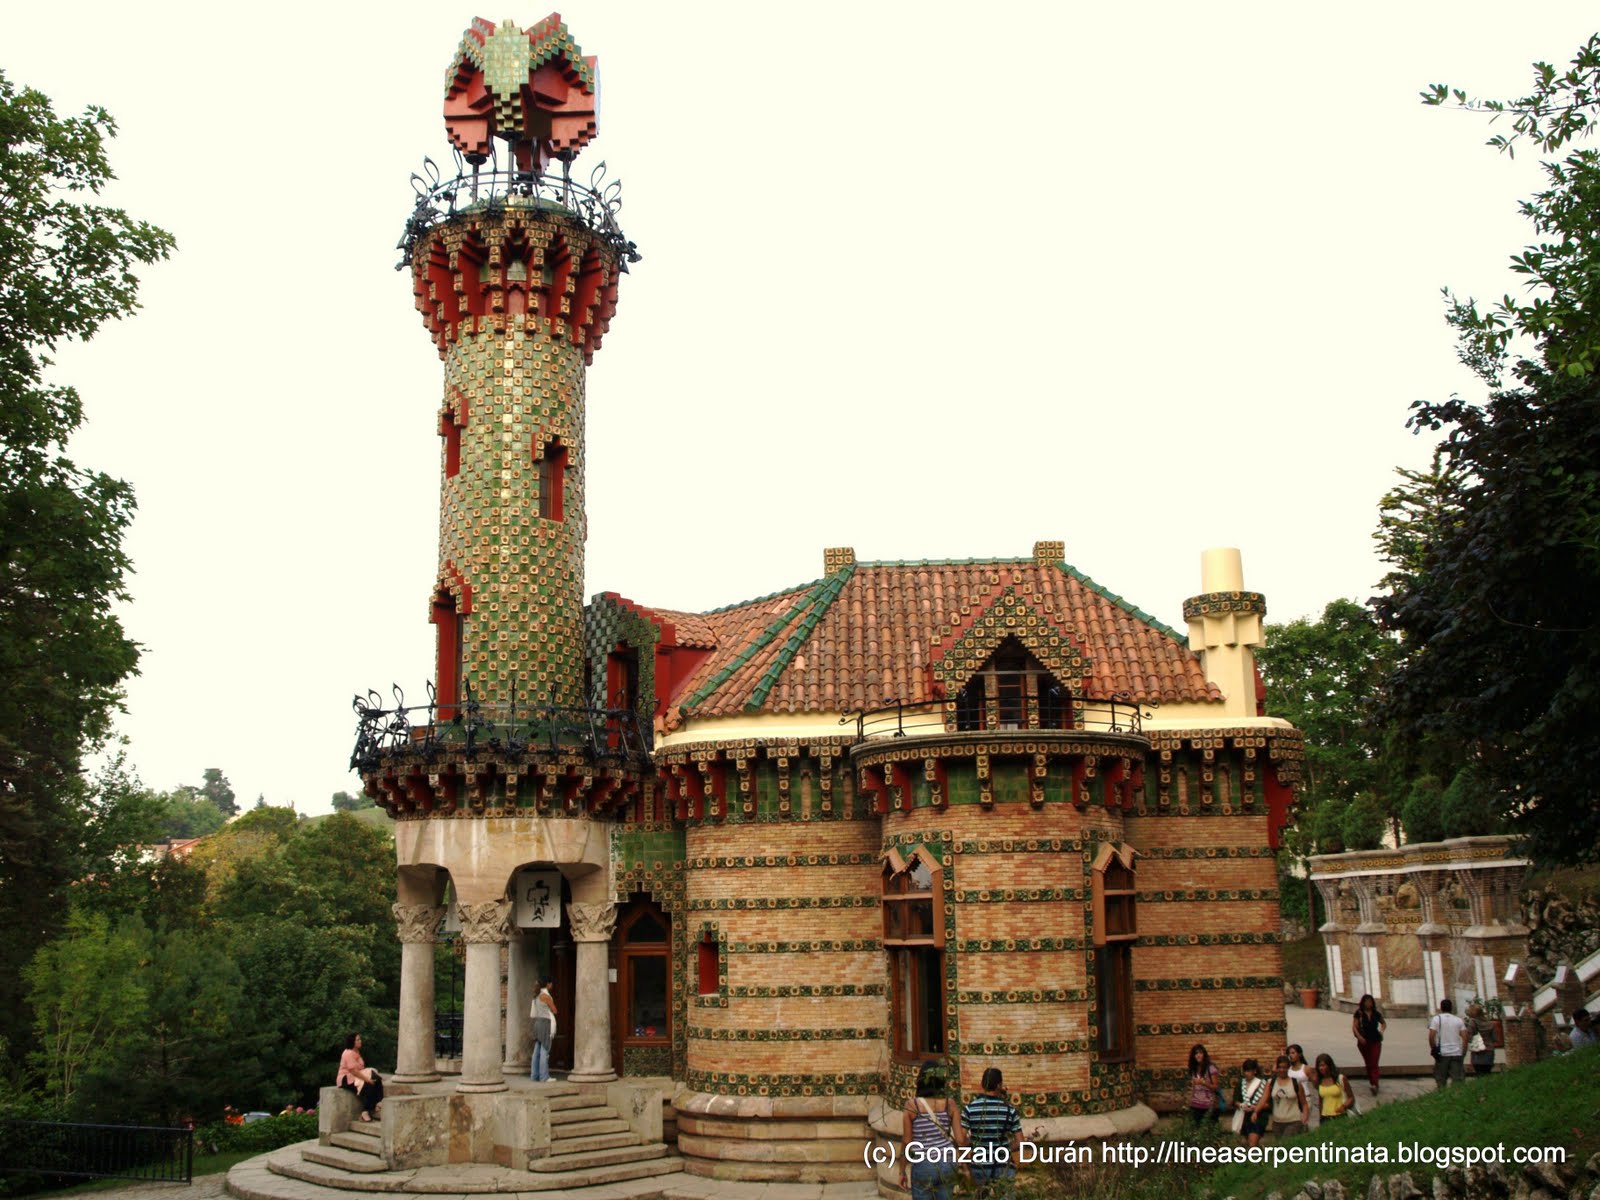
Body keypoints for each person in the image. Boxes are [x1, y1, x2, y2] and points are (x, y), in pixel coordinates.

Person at [900, 1063, 962, 1200]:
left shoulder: (912, 1105)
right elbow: (960, 1140)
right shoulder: (949, 1104)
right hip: (948, 1162)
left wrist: (902, 1170)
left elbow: (907, 1141)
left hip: (924, 1163)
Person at [961, 1068, 1021, 1194]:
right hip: (1003, 1165)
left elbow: (961, 1140)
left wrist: (973, 1142)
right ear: (999, 1085)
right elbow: (1020, 1141)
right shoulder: (1009, 1109)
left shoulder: (970, 1109)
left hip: (979, 1165)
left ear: (982, 1084)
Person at [337, 1032, 384, 1122]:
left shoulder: (357, 1051)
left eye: (360, 1039)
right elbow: (353, 1071)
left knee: (377, 1079)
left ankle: (378, 1103)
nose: (360, 1041)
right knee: (368, 1085)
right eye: (358, 1040)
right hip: (346, 1078)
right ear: (352, 1042)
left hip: (355, 1076)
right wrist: (367, 1079)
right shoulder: (348, 1053)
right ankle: (365, 1111)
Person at [1352, 993, 1387, 1095]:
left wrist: (1381, 1031)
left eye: (1370, 1002)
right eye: (1367, 1002)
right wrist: (1359, 1037)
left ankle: (1375, 1084)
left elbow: (1383, 1023)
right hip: (1364, 1041)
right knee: (1368, 1062)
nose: (1368, 1004)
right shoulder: (1359, 1013)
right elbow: (1354, 1026)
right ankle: (1372, 1081)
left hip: (1375, 1040)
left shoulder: (1376, 1013)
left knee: (1374, 1062)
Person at [1428, 998, 1467, 1088]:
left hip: (1442, 1053)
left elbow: (1431, 1036)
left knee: (1441, 1079)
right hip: (1456, 1052)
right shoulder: (1458, 1020)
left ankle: (1442, 1095)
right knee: (1458, 1079)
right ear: (1451, 1008)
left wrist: (1434, 1049)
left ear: (1441, 1008)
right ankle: (1457, 1096)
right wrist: (1463, 1052)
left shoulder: (1436, 1019)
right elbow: (1465, 1037)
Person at [1268, 1055, 1308, 1138]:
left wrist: (1305, 1116)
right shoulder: (1271, 1082)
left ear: (1288, 1068)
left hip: (1294, 1121)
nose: (1282, 1070)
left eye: (1284, 1067)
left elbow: (1304, 1103)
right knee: (1280, 1148)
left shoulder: (1296, 1083)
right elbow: (1264, 1099)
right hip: (1277, 1122)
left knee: (1286, 1143)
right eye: (1280, 1067)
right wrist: (1256, 1111)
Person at [1235, 1059, 1269, 1148]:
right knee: (1247, 1144)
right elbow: (1235, 1100)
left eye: (1249, 1071)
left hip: (1258, 1117)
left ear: (1254, 1071)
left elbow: (1268, 1104)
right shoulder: (1240, 1084)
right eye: (1245, 1071)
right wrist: (1241, 1105)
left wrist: (1255, 1108)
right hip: (1244, 1117)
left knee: (1252, 1143)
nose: (1247, 1073)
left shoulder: (1262, 1084)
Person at [1312, 1054, 1356, 1122]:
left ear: (1329, 1065)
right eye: (1319, 1066)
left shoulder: (1340, 1078)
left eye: (1323, 1065)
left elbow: (1351, 1097)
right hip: (1325, 1117)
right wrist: (1320, 1117)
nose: (1320, 1068)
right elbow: (1321, 1101)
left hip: (1340, 1115)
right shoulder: (1319, 1081)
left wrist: (1344, 1107)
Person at [530, 977, 558, 1082]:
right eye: (551, 984)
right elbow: (555, 1010)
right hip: (545, 1023)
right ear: (548, 984)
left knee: (536, 1050)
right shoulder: (546, 996)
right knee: (545, 1050)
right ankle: (544, 1076)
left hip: (537, 1023)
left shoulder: (536, 996)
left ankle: (534, 1075)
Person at [1186, 1044, 1221, 1124]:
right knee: (1197, 1131)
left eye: (1200, 1053)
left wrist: (1204, 1083)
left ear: (1204, 1055)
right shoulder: (1193, 1069)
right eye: (1196, 1053)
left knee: (1209, 1131)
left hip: (1209, 1106)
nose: (1198, 1055)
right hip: (1195, 1106)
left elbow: (1216, 1087)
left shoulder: (1211, 1068)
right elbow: (1194, 1087)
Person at [1464, 1002, 1496, 1076]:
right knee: (1487, 1074)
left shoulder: (1472, 1022)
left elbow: (1469, 1037)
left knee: (1479, 1074)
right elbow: (1494, 1038)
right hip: (1489, 1051)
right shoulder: (1490, 1023)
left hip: (1478, 1052)